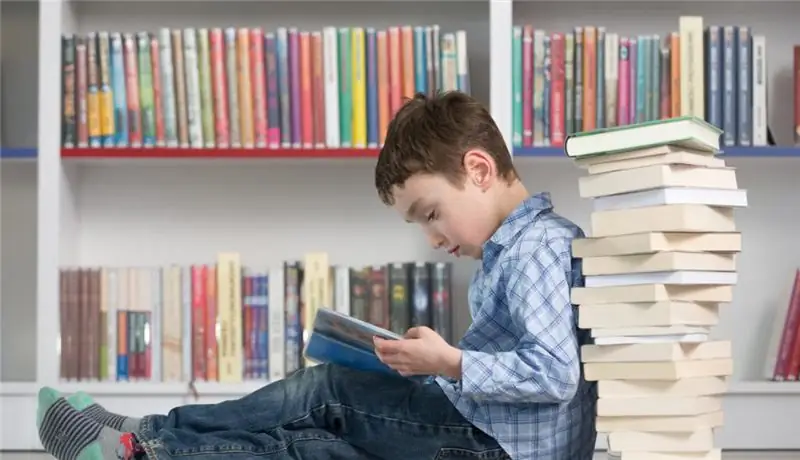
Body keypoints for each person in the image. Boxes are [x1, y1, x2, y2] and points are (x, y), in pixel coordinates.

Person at [35, 91, 597, 460]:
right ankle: (141, 445)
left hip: (495, 447)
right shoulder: (513, 250)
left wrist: (448, 362)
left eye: (430, 213)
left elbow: (554, 375)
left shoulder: (535, 247)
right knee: (311, 443)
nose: (432, 237)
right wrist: (430, 370)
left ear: (478, 170)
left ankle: (147, 439)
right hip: (484, 434)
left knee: (324, 390)